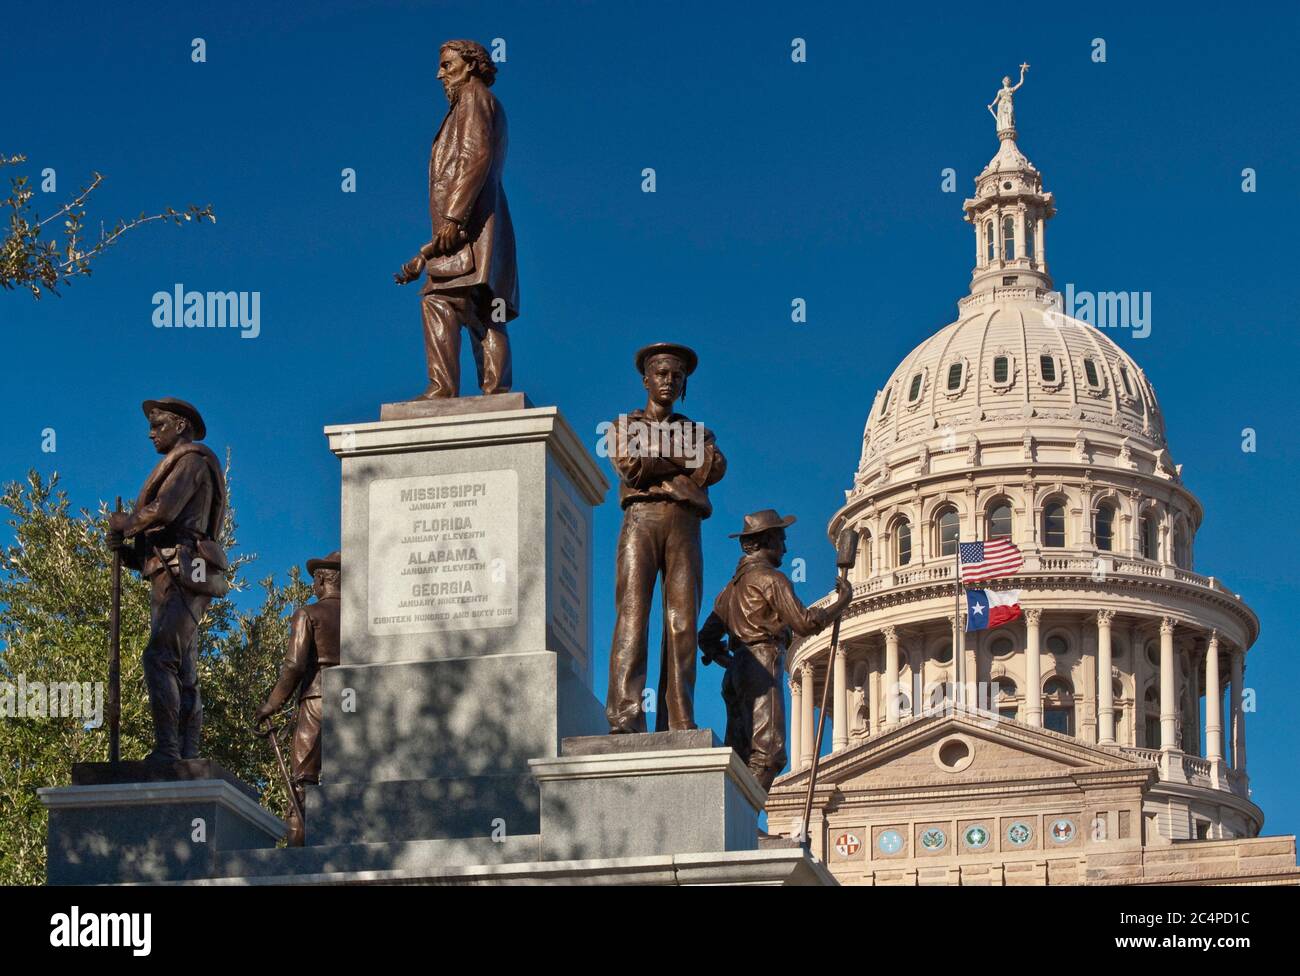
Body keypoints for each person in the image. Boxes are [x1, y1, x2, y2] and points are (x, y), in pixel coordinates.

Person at [605, 342, 725, 733]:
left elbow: (714, 466)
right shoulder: (623, 426)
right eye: (662, 374)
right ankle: (625, 713)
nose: (670, 381)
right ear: (646, 379)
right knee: (633, 616)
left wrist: (661, 452)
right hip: (641, 520)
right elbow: (632, 467)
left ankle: (678, 718)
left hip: (685, 525)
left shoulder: (698, 432)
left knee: (683, 623)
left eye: (678, 376)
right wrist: (684, 458)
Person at [394, 38, 518, 398]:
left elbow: (475, 155)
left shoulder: (474, 98)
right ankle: (494, 392)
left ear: (472, 65)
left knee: (443, 299)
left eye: (448, 65)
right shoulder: (475, 103)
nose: (439, 74)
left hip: (471, 222)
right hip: (479, 219)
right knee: (481, 306)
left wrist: (454, 217)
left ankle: (444, 387)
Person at [107, 397, 227, 760]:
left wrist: (126, 524)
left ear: (180, 426)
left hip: (183, 571)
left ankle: (169, 750)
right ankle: (186, 753)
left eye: (158, 425)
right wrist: (127, 550)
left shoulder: (191, 460)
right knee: (182, 665)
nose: (151, 434)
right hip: (171, 570)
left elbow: (166, 509)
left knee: (159, 657)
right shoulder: (186, 462)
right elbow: (161, 533)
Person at [698, 510, 851, 789]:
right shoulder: (772, 579)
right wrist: (842, 601)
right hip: (763, 664)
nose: (786, 547)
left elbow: (706, 639)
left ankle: (734, 818)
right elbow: (804, 623)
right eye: (781, 539)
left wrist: (730, 662)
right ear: (765, 542)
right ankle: (742, 820)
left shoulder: (728, 591)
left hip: (736, 674)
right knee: (769, 752)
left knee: (741, 753)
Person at [255, 551, 341, 847]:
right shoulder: (361, 616)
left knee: (302, 781)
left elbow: (293, 665)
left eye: (314, 580)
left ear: (320, 580)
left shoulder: (308, 613)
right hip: (355, 700)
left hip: (317, 698)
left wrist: (271, 704)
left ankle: (298, 856)